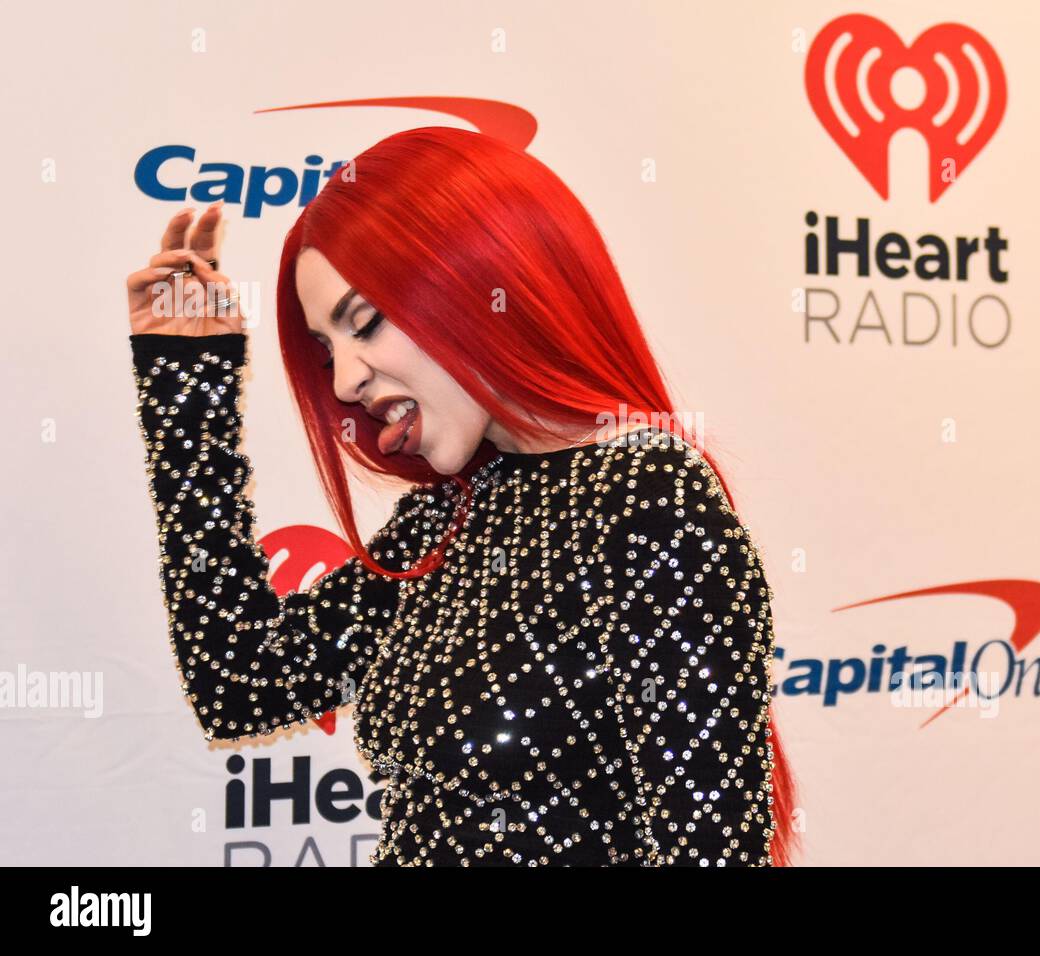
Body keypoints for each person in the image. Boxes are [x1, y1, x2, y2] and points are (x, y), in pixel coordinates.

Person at [124, 126, 798, 866]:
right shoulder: (449, 518)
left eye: (365, 324)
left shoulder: (650, 505)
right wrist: (188, 386)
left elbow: (714, 853)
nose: (345, 381)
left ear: (481, 285)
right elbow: (242, 682)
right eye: (327, 350)